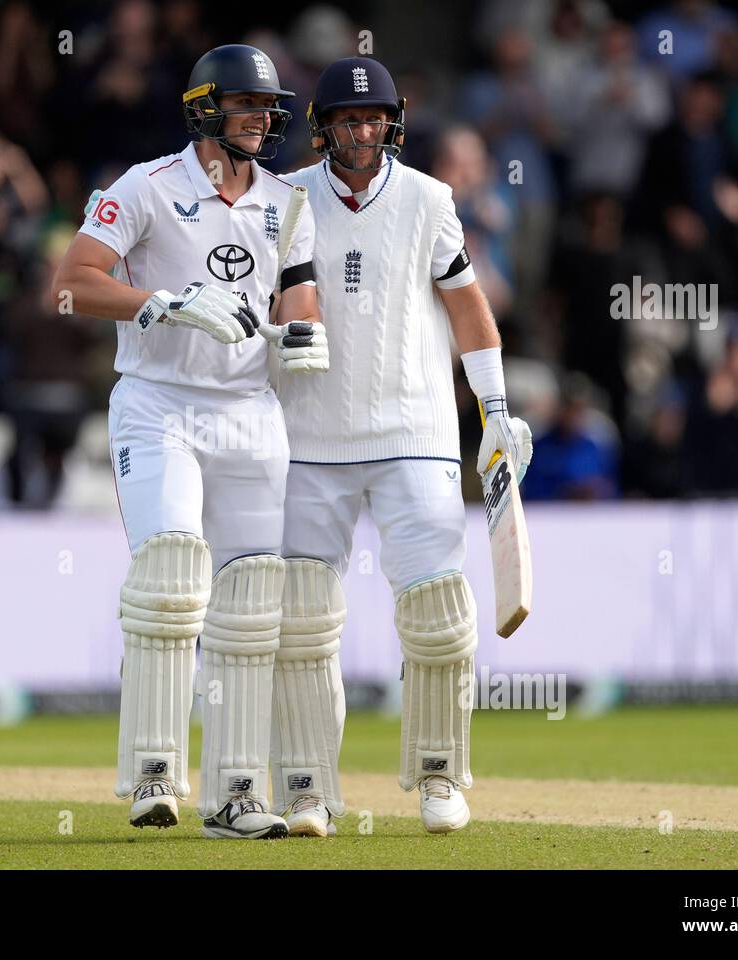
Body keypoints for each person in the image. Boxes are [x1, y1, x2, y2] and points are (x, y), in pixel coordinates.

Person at [51, 44, 328, 839]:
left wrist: (303, 331)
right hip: (160, 404)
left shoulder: (285, 199)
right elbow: (70, 283)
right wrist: (164, 305)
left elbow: (296, 289)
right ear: (204, 108)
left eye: (271, 108)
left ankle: (238, 793)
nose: (264, 120)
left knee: (248, 603)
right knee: (172, 578)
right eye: (247, 105)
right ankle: (152, 774)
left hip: (249, 409)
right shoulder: (146, 185)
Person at [273, 58, 533, 836]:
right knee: (302, 619)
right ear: (322, 127)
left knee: (440, 616)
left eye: (374, 119)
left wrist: (493, 409)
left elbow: (469, 310)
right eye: (347, 121)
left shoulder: (429, 199)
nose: (361, 133)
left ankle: (439, 777)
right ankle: (306, 788)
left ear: (395, 122)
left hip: (414, 436)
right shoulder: (284, 199)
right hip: (308, 440)